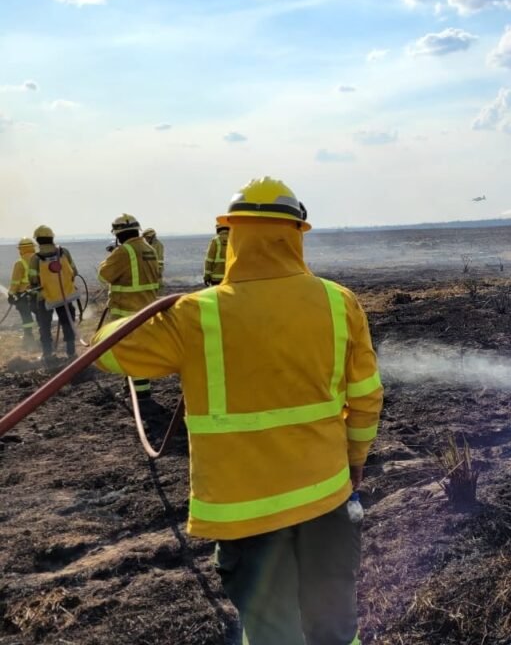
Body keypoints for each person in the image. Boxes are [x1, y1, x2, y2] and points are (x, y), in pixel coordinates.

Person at [91, 177, 383, 645]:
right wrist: (356, 462)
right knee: (334, 625)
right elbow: (367, 397)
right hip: (327, 494)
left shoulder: (194, 316)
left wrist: (137, 315)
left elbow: (103, 352)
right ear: (296, 233)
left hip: (244, 513)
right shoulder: (338, 301)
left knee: (271, 632)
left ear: (231, 236)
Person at [98, 214, 161, 397]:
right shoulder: (149, 249)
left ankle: (140, 393)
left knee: (131, 352)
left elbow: (103, 276)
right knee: (140, 350)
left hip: (126, 311)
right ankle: (133, 387)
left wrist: (112, 256)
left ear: (118, 234)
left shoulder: (123, 251)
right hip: (148, 309)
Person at [27, 225, 80, 364]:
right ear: (52, 238)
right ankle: (71, 352)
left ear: (38, 240)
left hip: (45, 299)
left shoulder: (35, 258)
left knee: (44, 327)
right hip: (65, 297)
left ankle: (48, 354)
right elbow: (74, 271)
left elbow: (33, 280)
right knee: (68, 323)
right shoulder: (64, 252)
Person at [7, 237, 38, 346]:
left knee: (26, 316)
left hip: (23, 295)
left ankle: (29, 338)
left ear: (21, 250)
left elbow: (15, 282)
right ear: (33, 248)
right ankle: (44, 336)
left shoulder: (19, 263)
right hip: (38, 293)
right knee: (40, 314)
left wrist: (11, 295)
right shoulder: (39, 259)